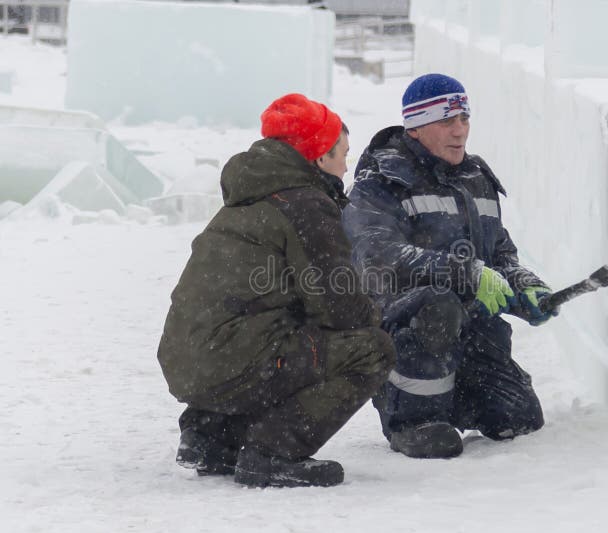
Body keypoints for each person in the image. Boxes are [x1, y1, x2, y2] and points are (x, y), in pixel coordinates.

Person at [157, 93, 396, 487]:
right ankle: (272, 452)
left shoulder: (246, 198)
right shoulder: (305, 204)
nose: (346, 167)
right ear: (319, 157)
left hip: (188, 363)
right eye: (342, 155)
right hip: (230, 359)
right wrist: (376, 311)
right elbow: (338, 308)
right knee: (371, 349)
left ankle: (211, 436)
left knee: (281, 323)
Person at [342, 73, 558, 459]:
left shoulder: (475, 177)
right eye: (446, 122)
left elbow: (500, 251)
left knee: (519, 418)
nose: (460, 131)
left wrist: (524, 285)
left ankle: (449, 398)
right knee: (437, 303)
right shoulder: (380, 181)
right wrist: (467, 272)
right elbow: (378, 256)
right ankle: (412, 419)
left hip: (472, 328)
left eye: (465, 119)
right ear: (416, 128)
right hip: (402, 325)